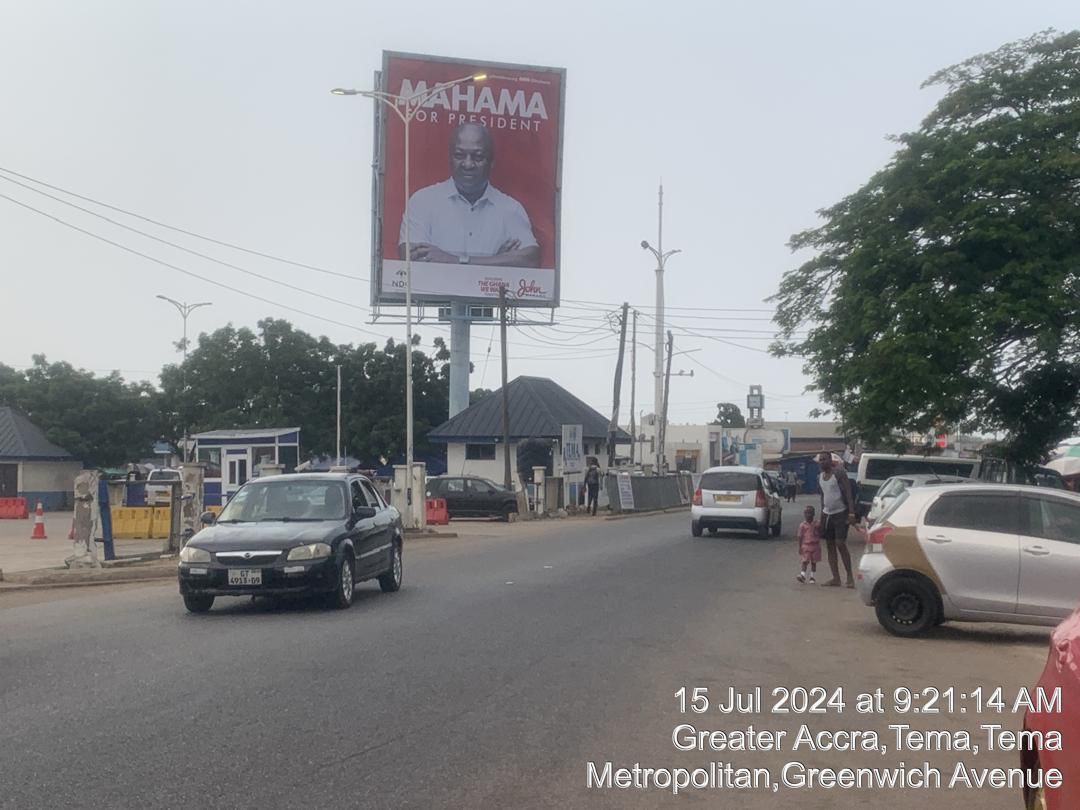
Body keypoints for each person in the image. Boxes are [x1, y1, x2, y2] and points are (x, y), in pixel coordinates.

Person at [399, 123, 540, 268]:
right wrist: (495, 261)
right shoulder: (423, 201)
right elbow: (410, 258)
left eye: (477, 157)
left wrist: (454, 259)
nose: (467, 164)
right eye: (460, 155)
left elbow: (530, 259)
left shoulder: (510, 209)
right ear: (450, 158)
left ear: (491, 162)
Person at [817, 451, 857, 587]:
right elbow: (823, 497)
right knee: (830, 546)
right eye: (820, 460)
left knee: (840, 543)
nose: (822, 462)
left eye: (824, 459)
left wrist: (851, 513)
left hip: (841, 514)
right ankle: (836, 578)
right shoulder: (820, 477)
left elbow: (848, 493)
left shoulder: (839, 473)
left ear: (830, 461)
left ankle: (850, 577)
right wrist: (821, 516)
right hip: (827, 514)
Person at [797, 505, 821, 584]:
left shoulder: (817, 524)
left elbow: (821, 532)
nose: (808, 515)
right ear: (804, 514)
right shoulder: (802, 525)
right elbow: (800, 537)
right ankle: (802, 574)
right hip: (806, 545)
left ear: (813, 514)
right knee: (805, 561)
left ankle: (812, 577)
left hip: (815, 545)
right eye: (807, 513)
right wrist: (800, 547)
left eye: (810, 513)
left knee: (814, 562)